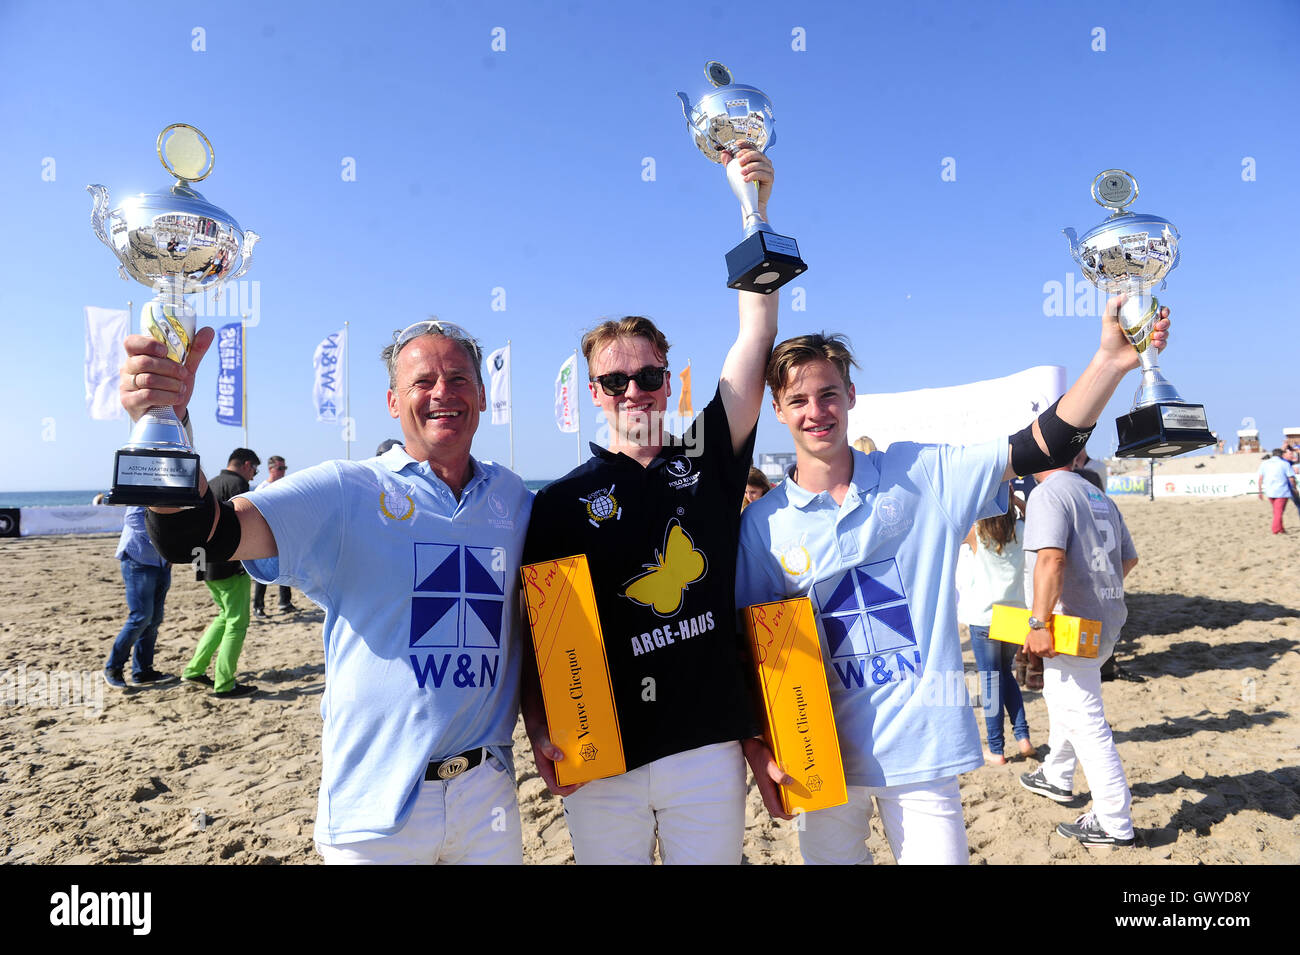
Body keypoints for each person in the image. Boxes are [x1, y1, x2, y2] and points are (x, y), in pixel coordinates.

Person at [736, 294, 1170, 865]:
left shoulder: (919, 473)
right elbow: (748, 651)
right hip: (820, 756)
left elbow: (1043, 441)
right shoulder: (763, 526)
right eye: (798, 400)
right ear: (777, 408)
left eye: (828, 394)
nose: (815, 410)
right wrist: (755, 748)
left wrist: (1111, 360)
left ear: (851, 397)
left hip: (924, 755)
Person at [120, 318, 532, 864]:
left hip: (489, 798)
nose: (442, 394)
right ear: (392, 400)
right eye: (422, 382)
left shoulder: (515, 499)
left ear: (481, 394)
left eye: (458, 379)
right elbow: (197, 531)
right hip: (376, 810)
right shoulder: (347, 490)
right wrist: (164, 420)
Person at [521, 146, 785, 865]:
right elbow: (536, 636)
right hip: (602, 752)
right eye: (615, 381)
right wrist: (541, 728)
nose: (633, 391)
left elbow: (755, 333)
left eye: (648, 376)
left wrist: (751, 204)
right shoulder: (558, 502)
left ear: (669, 381)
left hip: (706, 748)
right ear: (593, 389)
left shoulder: (708, 457)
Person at [1017, 463, 1139, 849]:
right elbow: (1128, 560)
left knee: (1085, 718)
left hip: (1070, 628)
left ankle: (1114, 820)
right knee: (1065, 700)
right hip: (1104, 619)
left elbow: (1051, 560)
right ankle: (1057, 774)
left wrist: (1039, 623)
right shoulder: (1096, 493)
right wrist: (1097, 589)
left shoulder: (1049, 493)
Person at [957, 501, 1033, 765]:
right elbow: (1037, 515)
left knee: (991, 683)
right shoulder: (1023, 529)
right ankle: (1023, 738)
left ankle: (997, 749)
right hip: (1014, 613)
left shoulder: (977, 532)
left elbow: (954, 521)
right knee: (1005, 674)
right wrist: (1017, 502)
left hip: (985, 616)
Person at [184, 448, 260, 698]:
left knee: (223, 616)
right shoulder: (238, 484)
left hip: (204, 563)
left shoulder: (211, 483)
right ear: (246, 465)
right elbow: (246, 523)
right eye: (254, 470)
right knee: (237, 623)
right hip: (229, 565)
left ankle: (195, 669)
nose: (253, 476)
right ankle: (225, 683)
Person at [103, 506, 178, 689]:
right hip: (139, 559)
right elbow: (133, 518)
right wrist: (163, 542)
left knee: (154, 619)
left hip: (161, 561)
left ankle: (143, 671)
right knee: (141, 617)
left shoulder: (173, 488)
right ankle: (113, 667)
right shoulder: (147, 483)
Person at [251, 456, 297, 617]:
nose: (283, 472)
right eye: (280, 468)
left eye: (285, 468)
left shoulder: (285, 486)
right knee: (263, 573)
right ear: (271, 469)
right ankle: (258, 606)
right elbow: (256, 513)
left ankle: (285, 602)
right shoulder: (262, 488)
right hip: (267, 536)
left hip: (283, 535)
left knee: (285, 568)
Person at [1257, 449, 1295, 534]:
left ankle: (1281, 529)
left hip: (1270, 491)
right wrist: (1294, 488)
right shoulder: (1285, 464)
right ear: (1281, 455)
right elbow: (1291, 478)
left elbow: (1260, 479)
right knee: (1279, 511)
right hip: (1282, 491)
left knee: (1277, 511)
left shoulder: (1264, 464)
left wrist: (1260, 491)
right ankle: (1276, 529)